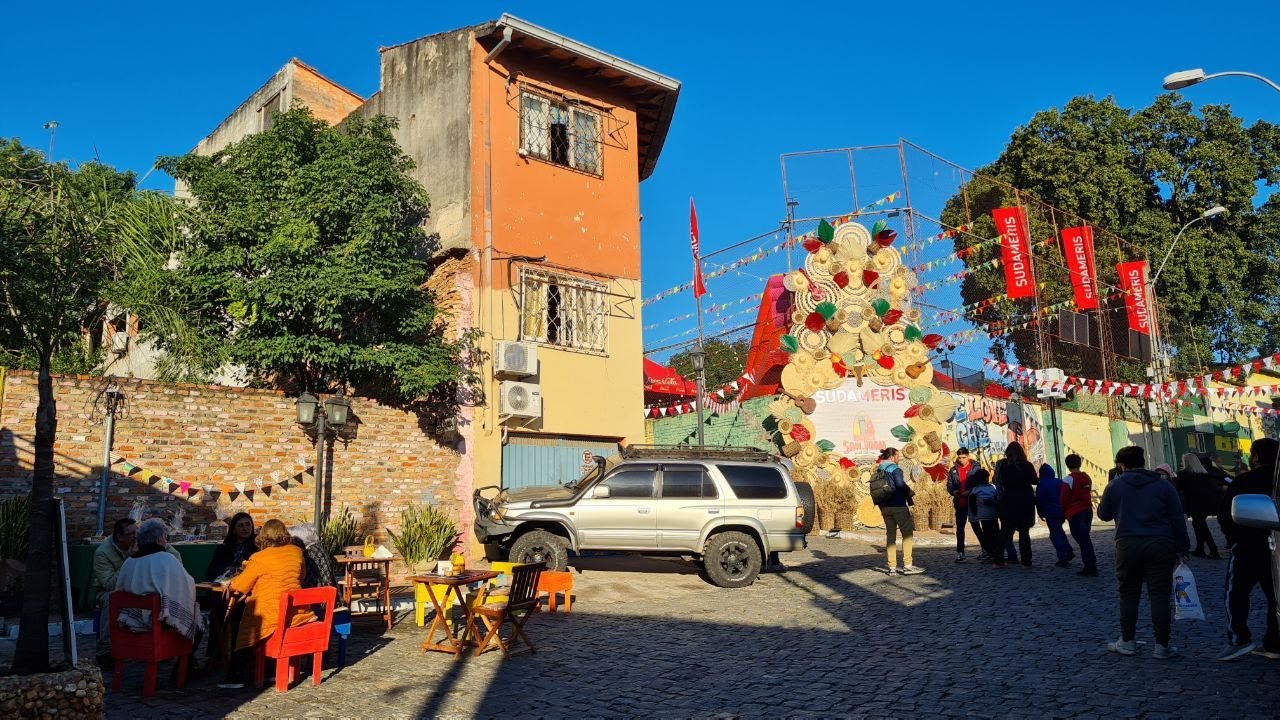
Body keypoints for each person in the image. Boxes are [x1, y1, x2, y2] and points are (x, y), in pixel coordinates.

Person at [1098, 445, 1190, 660]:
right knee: (1159, 595)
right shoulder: (1163, 486)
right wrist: (1183, 549)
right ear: (1143, 461)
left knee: (1128, 593)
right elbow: (1178, 519)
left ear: (1121, 465)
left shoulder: (1115, 485)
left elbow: (1103, 514)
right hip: (1160, 544)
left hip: (1127, 544)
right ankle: (1162, 646)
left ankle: (1127, 641)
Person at [218, 519, 313, 689]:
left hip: (272, 610)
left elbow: (241, 585)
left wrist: (229, 584)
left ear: (264, 536)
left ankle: (236, 676)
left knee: (247, 630)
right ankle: (269, 671)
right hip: (296, 611)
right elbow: (301, 576)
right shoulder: (296, 552)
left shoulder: (260, 557)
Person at [1215, 437, 1280, 662]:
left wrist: (1233, 539)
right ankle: (1274, 641)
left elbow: (1226, 515)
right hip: (1270, 545)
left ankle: (1239, 639)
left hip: (1248, 545)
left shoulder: (1246, 480)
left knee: (1236, 593)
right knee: (1275, 597)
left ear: (1255, 457)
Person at [113, 519, 204, 644]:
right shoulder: (166, 559)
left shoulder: (128, 562)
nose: (166, 542)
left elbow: (119, 588)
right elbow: (187, 585)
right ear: (159, 539)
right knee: (199, 621)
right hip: (155, 620)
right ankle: (184, 662)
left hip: (129, 618)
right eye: (165, 538)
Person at [92, 518, 182, 606]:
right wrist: (131, 559)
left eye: (137, 532)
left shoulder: (143, 540)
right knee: (114, 599)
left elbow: (175, 558)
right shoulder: (102, 553)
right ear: (120, 537)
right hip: (111, 592)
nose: (136, 536)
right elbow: (110, 585)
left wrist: (156, 549)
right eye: (131, 534)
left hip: (141, 587)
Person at [872, 447, 923, 575]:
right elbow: (900, 485)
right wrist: (908, 491)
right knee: (907, 534)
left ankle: (892, 567)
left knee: (891, 536)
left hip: (884, 508)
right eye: (897, 456)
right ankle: (907, 565)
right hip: (898, 506)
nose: (898, 458)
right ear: (892, 457)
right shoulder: (895, 469)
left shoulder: (879, 469)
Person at [994, 442, 1038, 567]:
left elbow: (997, 482)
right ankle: (1026, 562)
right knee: (1024, 533)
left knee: (1005, 532)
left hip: (1008, 501)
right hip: (1025, 501)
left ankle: (998, 561)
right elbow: (1034, 480)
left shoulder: (1002, 466)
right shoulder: (1026, 465)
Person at [1176, 453, 1222, 559]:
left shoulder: (1183, 474)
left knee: (1201, 526)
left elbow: (1179, 488)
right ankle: (1200, 548)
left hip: (1193, 504)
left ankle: (1213, 550)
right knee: (1198, 525)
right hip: (1206, 504)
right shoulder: (1204, 474)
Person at [1061, 454, 1098, 577]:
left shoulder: (1068, 480)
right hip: (1087, 510)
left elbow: (1063, 498)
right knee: (1085, 538)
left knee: (1083, 540)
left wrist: (1062, 511)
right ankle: (1090, 563)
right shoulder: (1086, 477)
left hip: (1076, 512)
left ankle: (1090, 565)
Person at [946, 447, 980, 563]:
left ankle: (986, 550)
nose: (961, 460)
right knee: (960, 528)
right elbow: (950, 485)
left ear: (968, 456)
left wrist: (970, 492)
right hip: (960, 503)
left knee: (976, 527)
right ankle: (960, 553)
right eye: (959, 458)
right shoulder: (953, 470)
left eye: (964, 457)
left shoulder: (975, 468)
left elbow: (979, 484)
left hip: (973, 502)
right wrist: (953, 491)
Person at [966, 467, 1004, 569]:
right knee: (996, 534)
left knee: (987, 535)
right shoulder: (993, 488)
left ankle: (991, 554)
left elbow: (972, 505)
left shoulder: (975, 490)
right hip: (993, 516)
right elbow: (997, 500)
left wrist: (973, 517)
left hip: (983, 517)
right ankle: (997, 554)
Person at [1036, 463, 1073, 568]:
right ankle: (1068, 551)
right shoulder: (1059, 482)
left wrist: (1040, 512)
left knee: (1055, 534)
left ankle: (1063, 556)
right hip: (1061, 511)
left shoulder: (1041, 484)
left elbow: (1039, 500)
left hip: (1050, 512)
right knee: (1059, 532)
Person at [206, 512, 258, 581]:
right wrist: (227, 569)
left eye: (248, 525)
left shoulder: (257, 547)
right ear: (234, 529)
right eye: (241, 526)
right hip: (225, 584)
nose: (245, 529)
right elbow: (211, 572)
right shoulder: (224, 548)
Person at [289, 523, 341, 591]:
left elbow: (307, 580)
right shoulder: (317, 548)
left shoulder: (310, 553)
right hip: (328, 591)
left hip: (318, 594)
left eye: (293, 540)